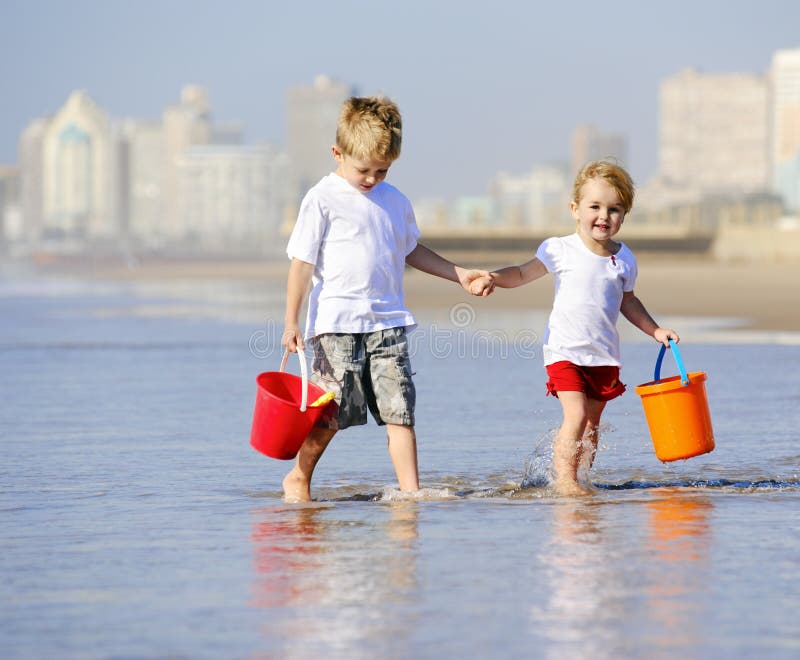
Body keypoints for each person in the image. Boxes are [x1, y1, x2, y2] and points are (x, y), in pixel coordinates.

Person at [281, 95, 489, 502]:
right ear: (337, 153)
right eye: (364, 169)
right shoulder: (321, 198)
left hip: (388, 323)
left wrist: (458, 274)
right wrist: (291, 320)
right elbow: (302, 264)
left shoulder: (395, 201)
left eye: (383, 169)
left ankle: (410, 492)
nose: (373, 178)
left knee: (401, 410)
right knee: (331, 413)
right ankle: (299, 477)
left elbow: (411, 250)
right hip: (335, 325)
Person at [469, 161, 680, 495]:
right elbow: (523, 273)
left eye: (614, 209)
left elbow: (629, 301)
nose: (603, 216)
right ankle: (565, 482)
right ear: (575, 209)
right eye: (594, 207)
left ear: (624, 215)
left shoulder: (625, 259)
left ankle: (581, 477)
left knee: (592, 424)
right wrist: (495, 277)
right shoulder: (559, 248)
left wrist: (655, 331)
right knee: (577, 413)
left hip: (604, 355)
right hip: (564, 350)